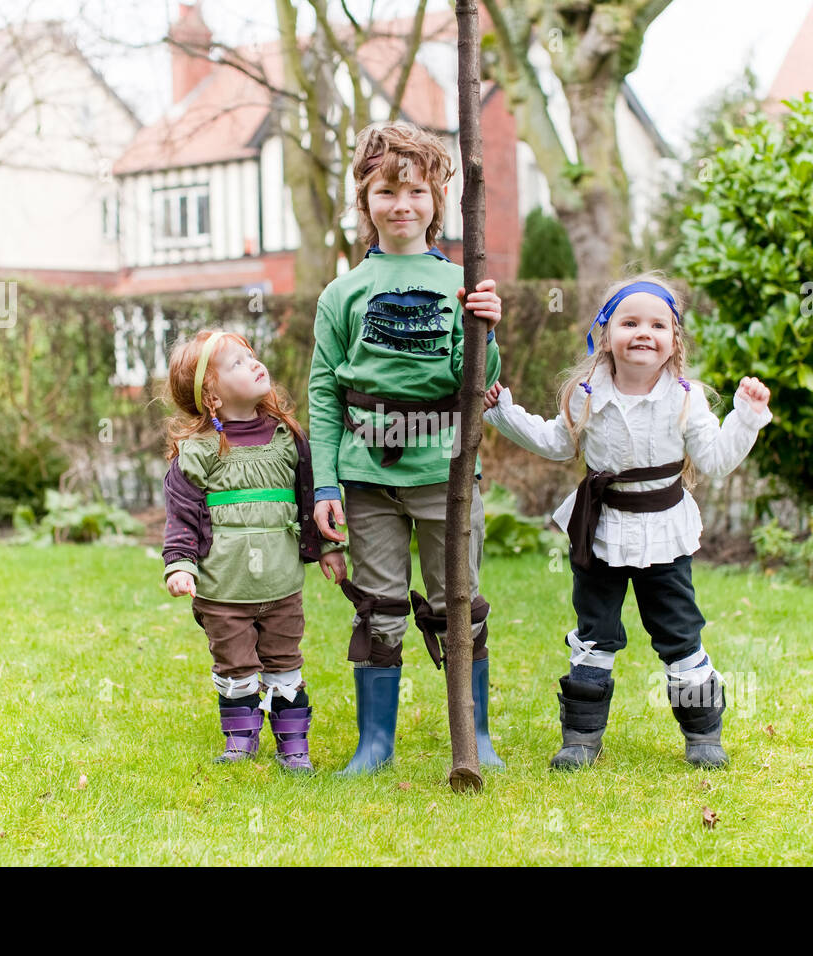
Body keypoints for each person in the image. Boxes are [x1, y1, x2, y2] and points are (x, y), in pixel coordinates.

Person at [482, 273, 772, 770]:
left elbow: (718, 460)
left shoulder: (686, 398)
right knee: (594, 632)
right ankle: (581, 738)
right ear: (605, 333)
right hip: (602, 530)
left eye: (658, 324)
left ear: (673, 340)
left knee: (679, 634)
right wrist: (504, 412)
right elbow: (557, 442)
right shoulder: (586, 394)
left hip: (664, 532)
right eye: (629, 321)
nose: (644, 332)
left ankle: (703, 736)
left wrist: (745, 416)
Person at [307, 121, 504, 774]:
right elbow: (323, 395)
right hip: (368, 480)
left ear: (437, 199)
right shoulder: (342, 294)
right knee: (379, 608)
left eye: (415, 191)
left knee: (460, 606)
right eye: (386, 192)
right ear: (364, 202)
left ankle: (473, 738)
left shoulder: (459, 284)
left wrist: (486, 328)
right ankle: (375, 744)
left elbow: (474, 378)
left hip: (445, 473)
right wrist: (327, 486)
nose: (401, 205)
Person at [162, 329, 345, 772]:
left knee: (286, 662)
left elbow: (307, 499)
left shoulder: (287, 437)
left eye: (252, 356)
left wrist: (324, 547)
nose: (255, 364)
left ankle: (293, 744)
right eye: (238, 364)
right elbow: (182, 515)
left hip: (281, 585)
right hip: (224, 589)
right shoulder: (199, 451)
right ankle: (241, 738)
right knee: (235, 666)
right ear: (212, 395)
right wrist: (179, 565)